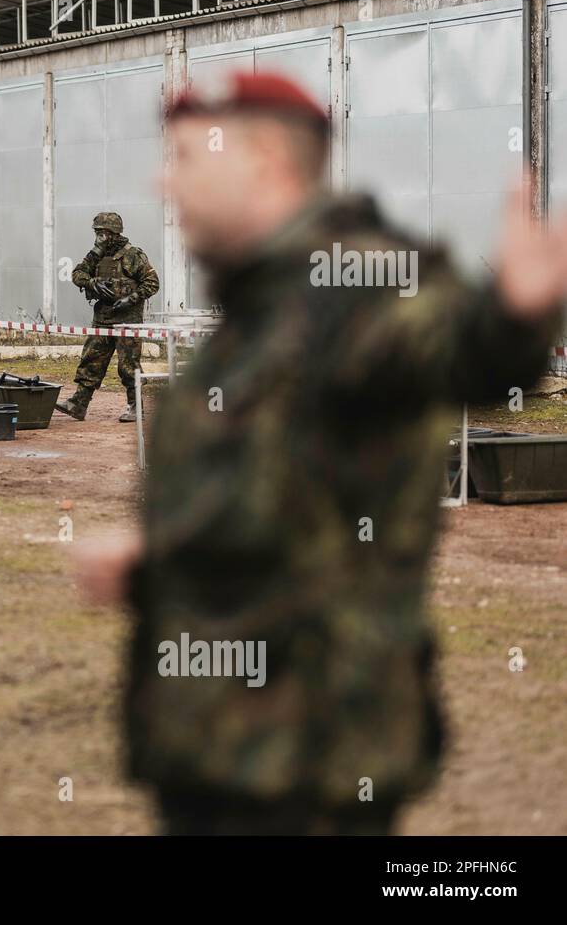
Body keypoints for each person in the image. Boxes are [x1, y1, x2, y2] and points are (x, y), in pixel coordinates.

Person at [75, 72, 567, 835]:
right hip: (218, 755)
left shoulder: (355, 282)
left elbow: (445, 345)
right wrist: (154, 561)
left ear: (266, 159)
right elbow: (277, 506)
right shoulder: (258, 307)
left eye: (182, 156)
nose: (161, 179)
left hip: (304, 773)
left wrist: (509, 324)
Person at [55, 211, 160, 422]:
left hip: (127, 321)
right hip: (102, 320)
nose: (99, 237)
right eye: (97, 233)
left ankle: (134, 407)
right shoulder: (97, 255)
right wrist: (92, 283)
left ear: (113, 233)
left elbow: (152, 283)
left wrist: (130, 299)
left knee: (128, 366)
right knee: (91, 360)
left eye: (102, 233)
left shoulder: (132, 256)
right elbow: (78, 273)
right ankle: (79, 403)